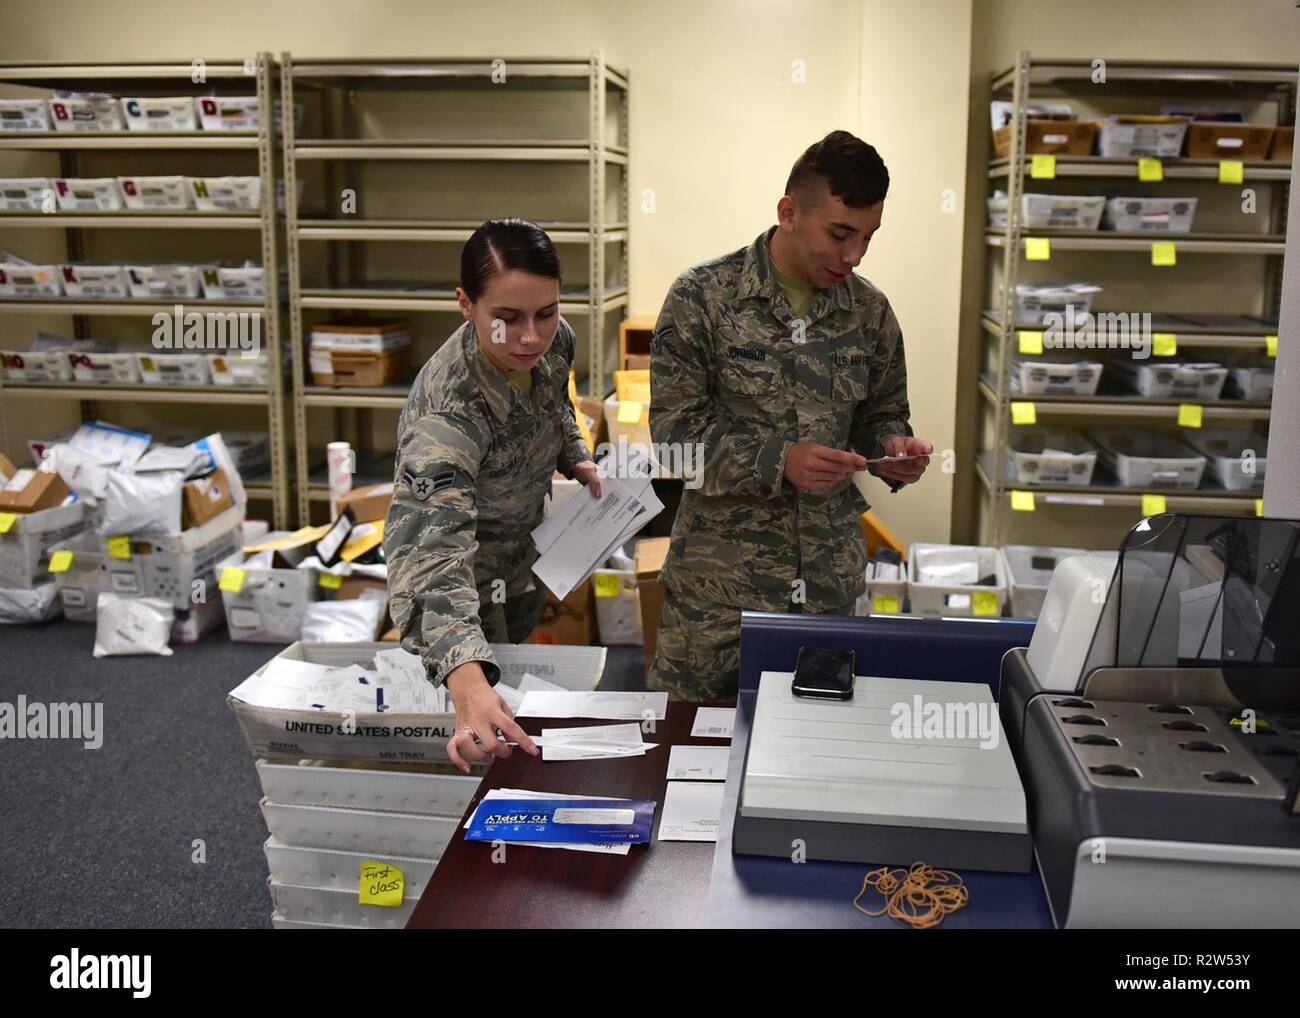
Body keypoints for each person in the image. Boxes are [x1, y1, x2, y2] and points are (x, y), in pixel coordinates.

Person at [646, 130, 933, 701]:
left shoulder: (869, 312)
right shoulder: (703, 298)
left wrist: (894, 450)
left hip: (828, 590)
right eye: (840, 234)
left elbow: (882, 412)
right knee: (692, 763)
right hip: (718, 599)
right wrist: (781, 461)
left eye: (868, 238)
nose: (853, 255)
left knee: (816, 758)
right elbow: (672, 440)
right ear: (789, 212)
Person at [384, 218, 603, 772]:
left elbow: (555, 405)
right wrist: (463, 673)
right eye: (506, 320)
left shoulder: (555, 343)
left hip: (521, 562)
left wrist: (573, 453)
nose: (531, 336)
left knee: (514, 723)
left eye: (546, 313)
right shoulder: (448, 409)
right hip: (459, 594)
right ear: (466, 304)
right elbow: (429, 553)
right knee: (471, 738)